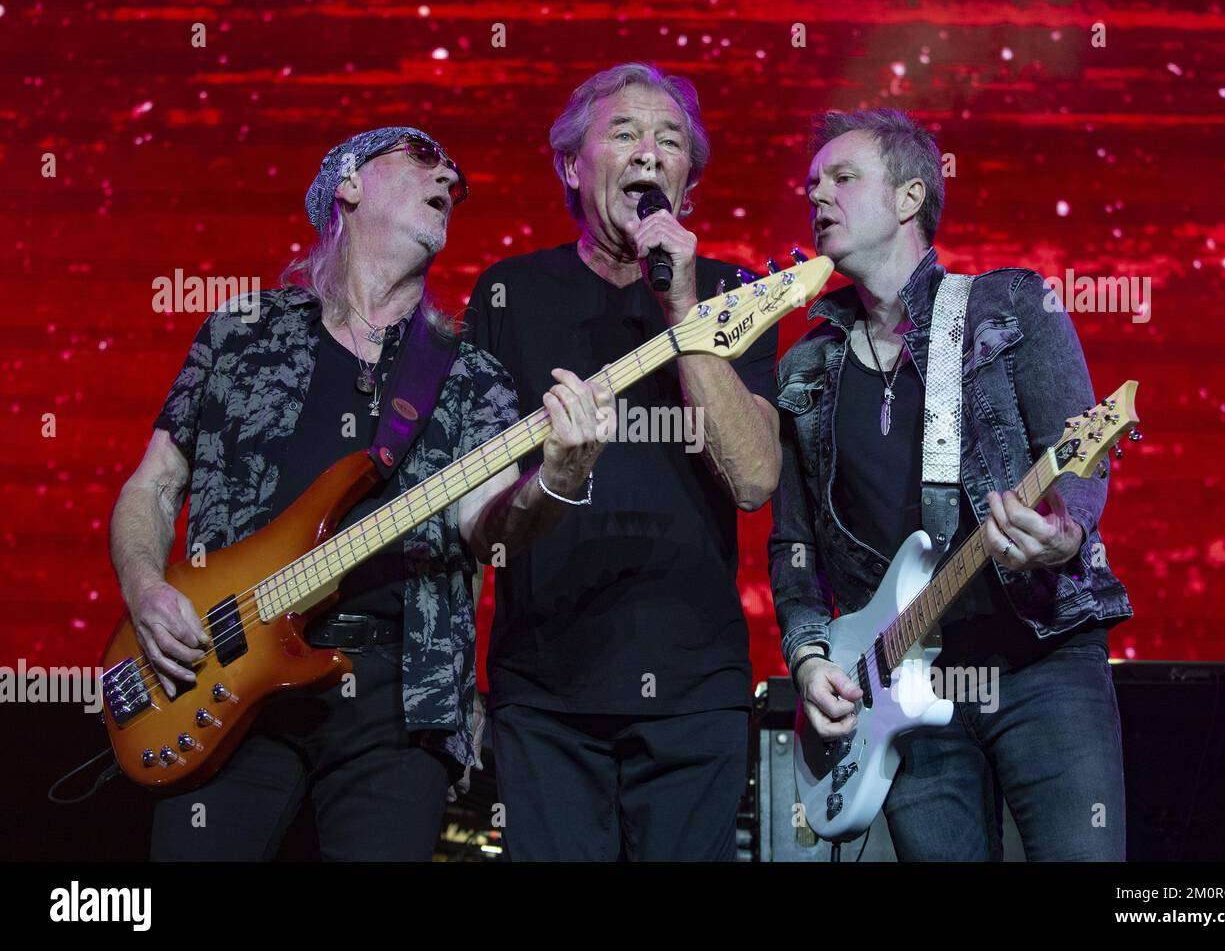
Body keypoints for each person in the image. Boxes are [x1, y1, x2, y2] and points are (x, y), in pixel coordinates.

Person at [109, 126, 612, 860]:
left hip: (393, 700)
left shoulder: (468, 375)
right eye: (422, 159)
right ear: (346, 183)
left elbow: (490, 529)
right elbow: (153, 487)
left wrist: (559, 480)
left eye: (456, 179)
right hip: (222, 672)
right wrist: (146, 588)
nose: (449, 179)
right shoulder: (242, 333)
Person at [768, 108, 1133, 861]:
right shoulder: (803, 369)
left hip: (1039, 659)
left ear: (909, 198)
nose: (817, 196)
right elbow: (794, 545)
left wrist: (1064, 535)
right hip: (899, 678)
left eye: (842, 178)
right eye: (811, 184)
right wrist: (810, 658)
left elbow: (1081, 464)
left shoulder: (1011, 306)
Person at [464, 63, 780, 861]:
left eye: (670, 140)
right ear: (572, 166)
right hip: (545, 693)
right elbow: (476, 515)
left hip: (694, 688)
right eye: (625, 133)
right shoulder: (509, 295)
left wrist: (682, 309)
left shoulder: (736, 294)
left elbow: (754, 478)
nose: (650, 151)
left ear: (689, 185)